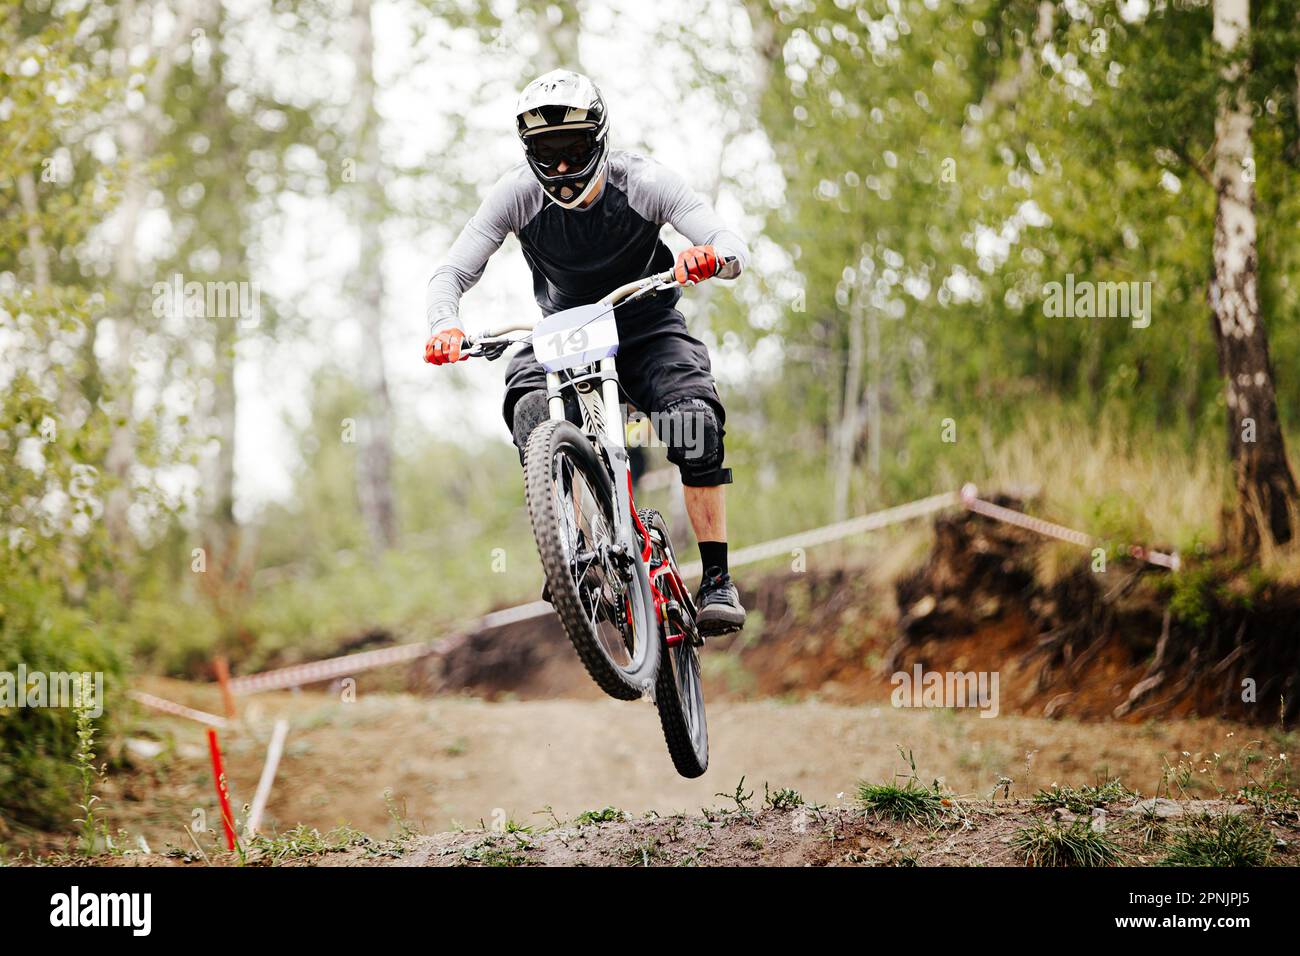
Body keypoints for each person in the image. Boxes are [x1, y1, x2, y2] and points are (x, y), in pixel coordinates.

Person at [424, 69, 747, 635]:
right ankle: (575, 548)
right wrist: (445, 325)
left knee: (693, 423)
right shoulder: (516, 194)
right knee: (529, 412)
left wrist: (710, 257)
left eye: (574, 150)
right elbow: (450, 272)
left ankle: (717, 579)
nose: (564, 169)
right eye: (548, 154)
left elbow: (729, 243)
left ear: (598, 139)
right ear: (529, 153)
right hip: (563, 332)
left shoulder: (642, 181)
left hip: (647, 324)